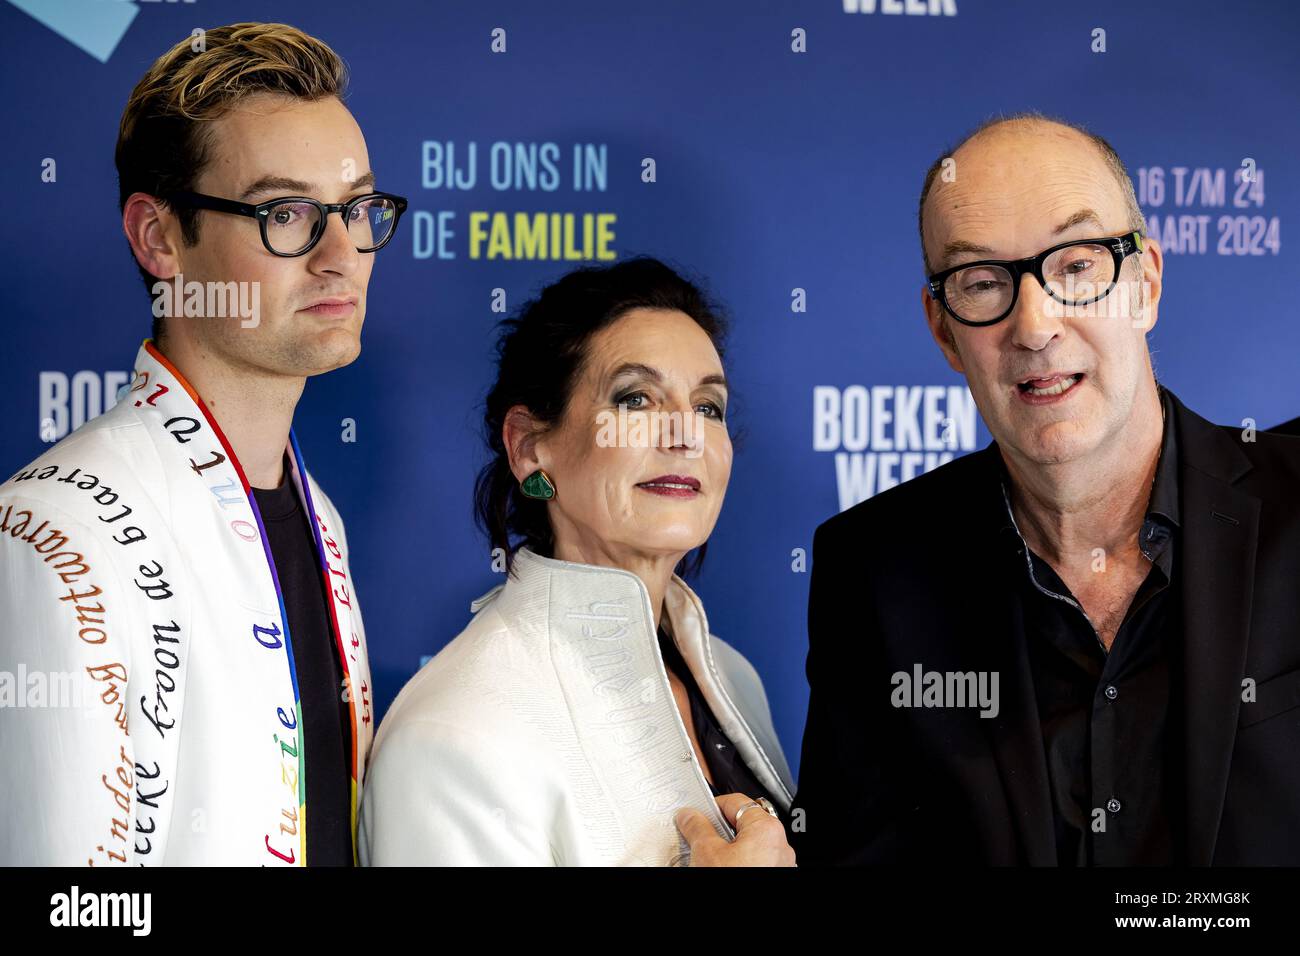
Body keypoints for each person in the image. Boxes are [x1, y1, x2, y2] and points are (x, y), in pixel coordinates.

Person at [792, 112, 1300, 866]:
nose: (1035, 324)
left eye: (1076, 265)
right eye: (982, 282)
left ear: (1146, 284)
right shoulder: (873, 573)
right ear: (943, 332)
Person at [0, 22, 407, 866]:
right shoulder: (52, 529)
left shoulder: (316, 514)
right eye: (285, 213)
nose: (342, 256)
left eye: (358, 208)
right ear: (159, 239)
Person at [359, 258, 796, 866]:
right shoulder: (453, 736)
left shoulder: (733, 677)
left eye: (708, 407)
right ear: (531, 448)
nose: (686, 435)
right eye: (636, 398)